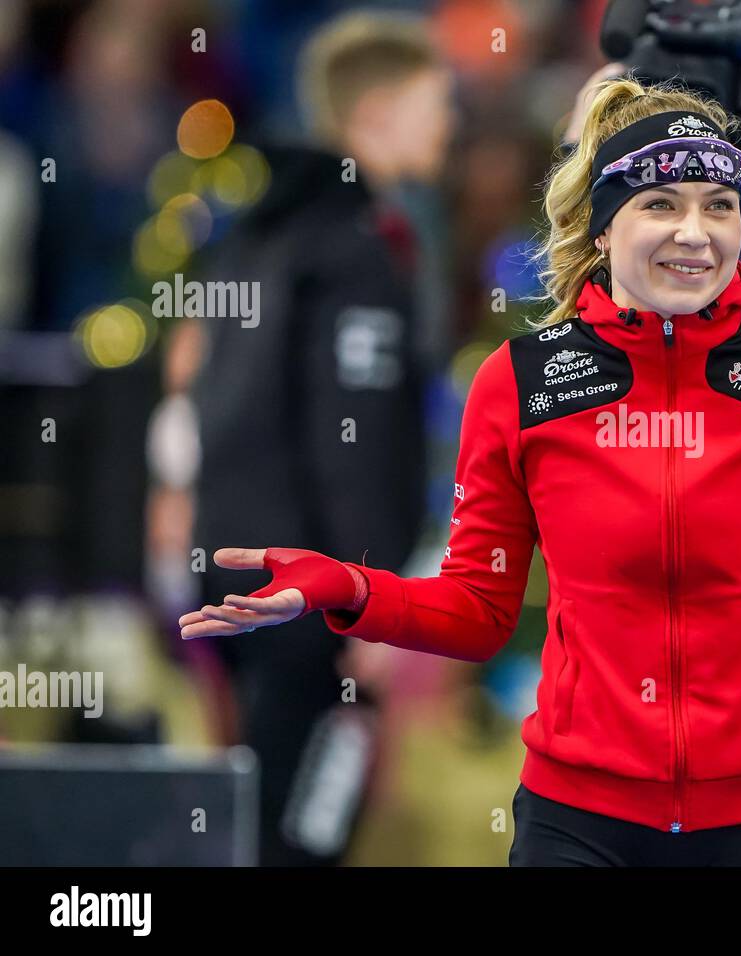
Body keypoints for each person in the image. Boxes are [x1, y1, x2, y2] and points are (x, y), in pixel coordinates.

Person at [179, 78, 741, 868]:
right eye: (661, 204)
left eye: (719, 204)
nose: (696, 231)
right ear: (605, 230)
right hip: (581, 821)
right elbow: (478, 608)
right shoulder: (522, 382)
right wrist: (344, 587)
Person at [185, 12, 445, 866]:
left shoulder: (256, 235)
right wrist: (369, 602)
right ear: (377, 111)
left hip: (244, 575)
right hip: (311, 598)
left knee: (266, 820)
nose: (447, 122)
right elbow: (353, 444)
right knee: (302, 838)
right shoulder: (355, 251)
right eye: (431, 101)